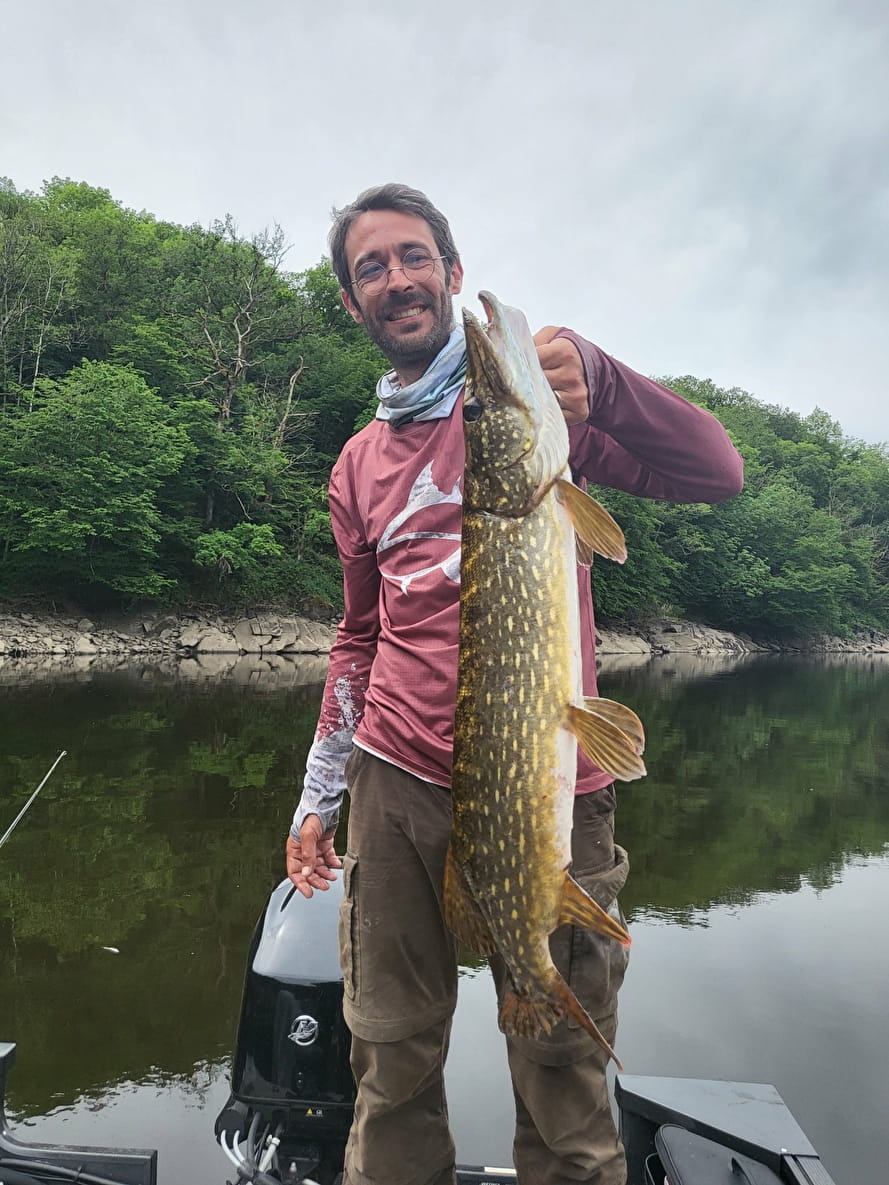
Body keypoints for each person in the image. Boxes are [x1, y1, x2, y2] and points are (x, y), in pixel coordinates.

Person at [286, 183, 744, 1185]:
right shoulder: (357, 464)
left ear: (451, 272)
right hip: (392, 784)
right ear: (353, 303)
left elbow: (717, 471)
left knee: (562, 1072)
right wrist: (319, 794)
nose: (397, 279)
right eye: (371, 267)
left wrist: (603, 384)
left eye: (414, 256)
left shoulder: (550, 426)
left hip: (550, 784)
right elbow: (357, 639)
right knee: (389, 1058)